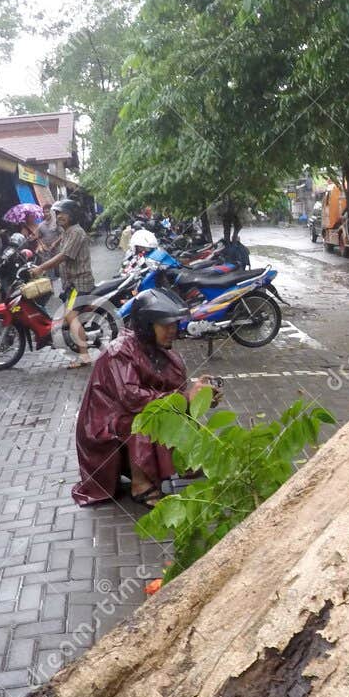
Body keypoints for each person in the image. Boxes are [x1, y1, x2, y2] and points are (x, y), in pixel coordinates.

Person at [72, 290, 210, 506]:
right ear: (147, 326)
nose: (172, 331)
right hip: (102, 424)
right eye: (165, 326)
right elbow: (132, 398)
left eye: (174, 325)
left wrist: (202, 395)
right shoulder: (120, 351)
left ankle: (189, 462)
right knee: (143, 420)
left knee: (169, 411)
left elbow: (177, 390)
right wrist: (184, 398)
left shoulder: (161, 352)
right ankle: (140, 484)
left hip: (120, 416)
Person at [28, 199, 94, 368]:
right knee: (64, 317)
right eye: (57, 214)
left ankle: (85, 356)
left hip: (80, 283)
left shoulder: (76, 232)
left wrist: (41, 268)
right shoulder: (67, 232)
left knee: (71, 315)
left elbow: (64, 256)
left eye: (62, 213)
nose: (59, 216)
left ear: (72, 214)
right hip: (70, 284)